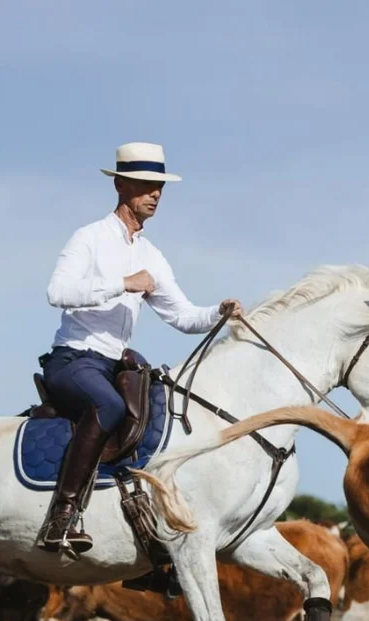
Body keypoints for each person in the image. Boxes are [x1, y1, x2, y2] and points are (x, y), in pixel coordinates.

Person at [37, 142, 241, 555]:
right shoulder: (89, 238)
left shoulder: (152, 256)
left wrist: (217, 313)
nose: (156, 194)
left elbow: (182, 316)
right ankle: (62, 517)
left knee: (164, 413)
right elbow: (57, 292)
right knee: (108, 406)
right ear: (121, 186)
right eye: (147, 185)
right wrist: (123, 284)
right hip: (72, 359)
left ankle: (145, 534)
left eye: (160, 187)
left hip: (113, 366)